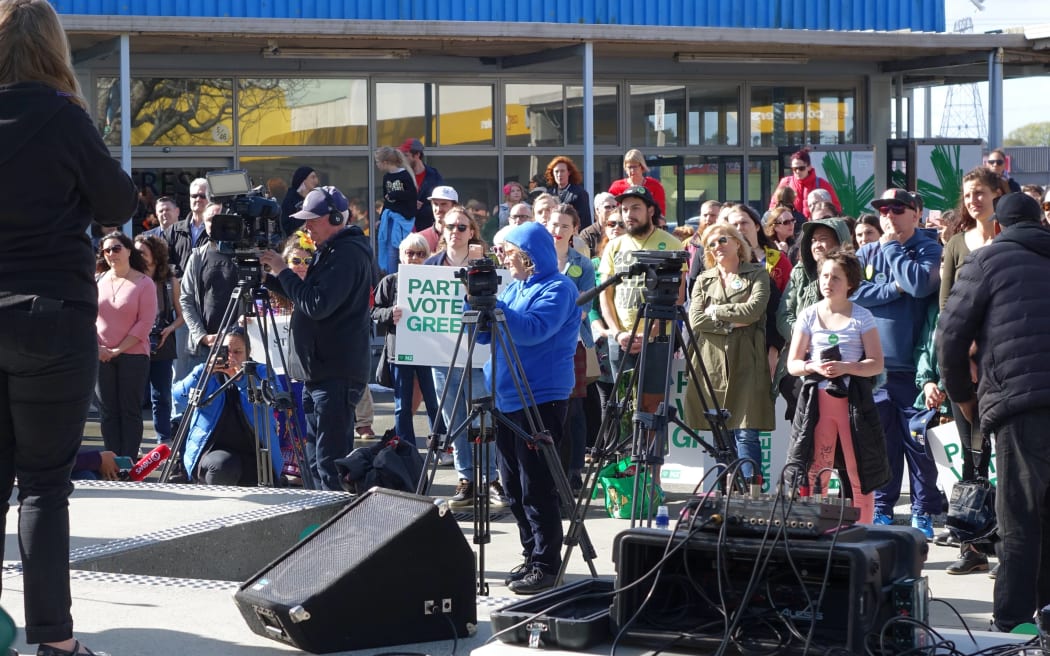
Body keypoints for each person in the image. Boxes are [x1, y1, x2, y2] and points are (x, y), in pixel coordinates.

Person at [0, 2, 137, 654]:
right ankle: (55, 643)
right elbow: (118, 203)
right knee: (45, 488)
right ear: (53, 49)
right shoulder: (64, 117)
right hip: (52, 318)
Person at [937, 192, 1050, 633]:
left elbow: (949, 336)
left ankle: (1014, 622)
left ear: (999, 226)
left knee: (1019, 518)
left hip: (1018, 403)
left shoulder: (986, 260)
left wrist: (963, 397)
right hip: (1027, 397)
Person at [478, 221, 580, 595]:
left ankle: (546, 564)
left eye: (506, 251)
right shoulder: (515, 288)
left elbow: (533, 330)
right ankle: (531, 554)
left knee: (536, 485)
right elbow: (487, 335)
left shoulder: (559, 288)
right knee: (512, 485)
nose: (502, 258)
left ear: (528, 255)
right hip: (508, 396)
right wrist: (478, 308)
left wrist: (497, 306)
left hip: (541, 396)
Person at [258, 185, 374, 491]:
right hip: (320, 373)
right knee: (314, 460)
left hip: (335, 374)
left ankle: (336, 517)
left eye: (312, 219)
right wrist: (269, 279)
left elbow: (316, 304)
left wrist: (282, 270)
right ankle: (322, 511)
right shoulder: (333, 250)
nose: (306, 226)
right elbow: (307, 296)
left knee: (329, 462)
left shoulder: (348, 254)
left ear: (335, 218)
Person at [853, 188, 942, 538]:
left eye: (897, 209)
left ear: (916, 214)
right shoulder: (866, 252)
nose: (888, 215)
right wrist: (894, 289)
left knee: (918, 446)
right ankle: (883, 507)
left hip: (914, 371)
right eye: (883, 210)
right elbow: (853, 293)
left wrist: (892, 249)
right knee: (883, 445)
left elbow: (919, 285)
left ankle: (922, 510)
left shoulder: (928, 248)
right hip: (876, 369)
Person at [785, 250, 888, 523]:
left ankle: (865, 528)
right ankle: (812, 527)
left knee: (858, 471)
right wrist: (814, 367)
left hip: (853, 404)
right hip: (817, 403)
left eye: (836, 278)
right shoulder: (808, 315)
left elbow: (876, 364)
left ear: (850, 283)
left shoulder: (863, 316)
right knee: (816, 469)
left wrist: (846, 367)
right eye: (824, 276)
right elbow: (793, 365)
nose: (828, 282)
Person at [937, 167, 1004, 574]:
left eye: (980, 192)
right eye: (967, 195)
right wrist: (963, 355)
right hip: (968, 368)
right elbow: (947, 309)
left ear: (997, 193)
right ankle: (973, 545)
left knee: (1009, 460)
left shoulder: (1011, 239)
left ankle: (1007, 547)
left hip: (1006, 366)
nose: (973, 200)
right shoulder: (957, 244)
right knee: (973, 456)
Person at [422, 207, 503, 505]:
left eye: (461, 227)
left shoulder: (485, 265)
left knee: (484, 418)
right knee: (453, 419)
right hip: (442, 357)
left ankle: (491, 478)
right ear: (442, 230)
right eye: (450, 226)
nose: (455, 232)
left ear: (472, 232)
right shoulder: (430, 266)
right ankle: (466, 477)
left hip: (479, 356)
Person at [685, 223, 774, 482]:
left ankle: (750, 489)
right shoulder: (704, 279)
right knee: (720, 431)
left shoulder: (757, 274)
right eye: (711, 244)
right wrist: (732, 323)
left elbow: (753, 311)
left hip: (746, 357)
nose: (717, 247)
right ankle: (726, 489)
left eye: (723, 240)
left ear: (737, 242)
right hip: (711, 360)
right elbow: (696, 320)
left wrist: (716, 311)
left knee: (746, 431)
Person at [172, 329, 283, 485]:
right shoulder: (206, 372)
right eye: (226, 351)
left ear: (249, 352)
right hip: (212, 450)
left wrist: (241, 380)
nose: (231, 357)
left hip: (255, 450)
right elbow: (179, 397)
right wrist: (203, 372)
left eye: (237, 352)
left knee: (262, 475)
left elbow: (275, 399)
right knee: (223, 466)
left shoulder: (261, 372)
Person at [371, 234, 440, 450]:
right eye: (410, 253)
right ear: (402, 256)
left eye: (421, 254)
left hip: (430, 350)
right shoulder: (390, 282)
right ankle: (405, 447)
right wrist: (390, 313)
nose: (415, 258)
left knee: (434, 401)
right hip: (400, 350)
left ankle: (439, 443)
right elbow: (374, 311)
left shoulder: (435, 281)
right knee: (402, 403)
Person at [95, 232, 158, 459]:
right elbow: (86, 316)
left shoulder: (144, 283)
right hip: (101, 355)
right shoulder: (97, 280)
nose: (112, 254)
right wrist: (99, 348)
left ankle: (127, 463)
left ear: (129, 250)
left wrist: (117, 350)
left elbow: (145, 323)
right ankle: (112, 461)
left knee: (129, 411)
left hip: (133, 354)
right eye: (107, 250)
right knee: (108, 412)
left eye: (116, 248)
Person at [178, 202, 238, 377]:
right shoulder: (197, 256)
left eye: (220, 219)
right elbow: (186, 299)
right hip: (204, 346)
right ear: (204, 223)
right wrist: (201, 336)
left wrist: (236, 333)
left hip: (238, 344)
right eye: (211, 219)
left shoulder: (243, 254)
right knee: (202, 392)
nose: (216, 223)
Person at [134, 234, 183, 446]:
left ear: (155, 255)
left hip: (162, 342)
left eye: (142, 252)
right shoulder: (131, 278)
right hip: (135, 342)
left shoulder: (170, 281)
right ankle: (133, 442)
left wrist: (168, 329)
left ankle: (164, 440)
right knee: (135, 396)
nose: (137, 256)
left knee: (161, 395)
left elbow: (181, 315)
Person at [375, 145, 418, 275]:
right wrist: (380, 219)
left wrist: (395, 194)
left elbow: (411, 195)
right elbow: (387, 200)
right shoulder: (386, 178)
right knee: (389, 249)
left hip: (403, 218)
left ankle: (400, 275)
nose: (377, 165)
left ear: (385, 162)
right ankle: (390, 275)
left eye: (377, 162)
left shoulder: (404, 175)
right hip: (390, 217)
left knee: (398, 248)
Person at [770, 149, 841, 220]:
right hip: (791, 224)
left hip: (814, 224)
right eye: (794, 169)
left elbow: (836, 209)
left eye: (801, 168)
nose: (797, 171)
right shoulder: (786, 182)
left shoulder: (822, 184)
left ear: (809, 167)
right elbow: (773, 206)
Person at [165, 177, 212, 277]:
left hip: (206, 285)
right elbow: (164, 260)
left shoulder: (216, 230)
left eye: (202, 196)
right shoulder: (174, 230)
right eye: (194, 196)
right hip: (178, 285)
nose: (198, 199)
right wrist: (178, 277)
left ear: (210, 199)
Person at [399, 138, 443, 233]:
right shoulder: (400, 176)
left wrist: (420, 208)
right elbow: (392, 201)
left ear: (417, 155)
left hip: (427, 230)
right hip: (404, 230)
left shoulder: (434, 176)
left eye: (406, 155)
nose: (402, 159)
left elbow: (442, 202)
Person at [607, 149, 667, 217]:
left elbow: (660, 214)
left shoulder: (655, 186)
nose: (632, 170)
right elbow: (611, 212)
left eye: (635, 167)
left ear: (642, 167)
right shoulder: (616, 187)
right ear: (625, 168)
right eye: (629, 167)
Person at [544, 156, 592, 228]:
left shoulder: (580, 193)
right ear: (552, 173)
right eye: (556, 171)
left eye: (562, 171)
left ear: (569, 172)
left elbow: (585, 220)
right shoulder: (549, 194)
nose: (559, 174)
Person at [279, 166, 319, 237]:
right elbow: (287, 225)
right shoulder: (290, 199)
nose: (316, 181)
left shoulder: (316, 197)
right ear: (303, 180)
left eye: (316, 177)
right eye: (312, 177)